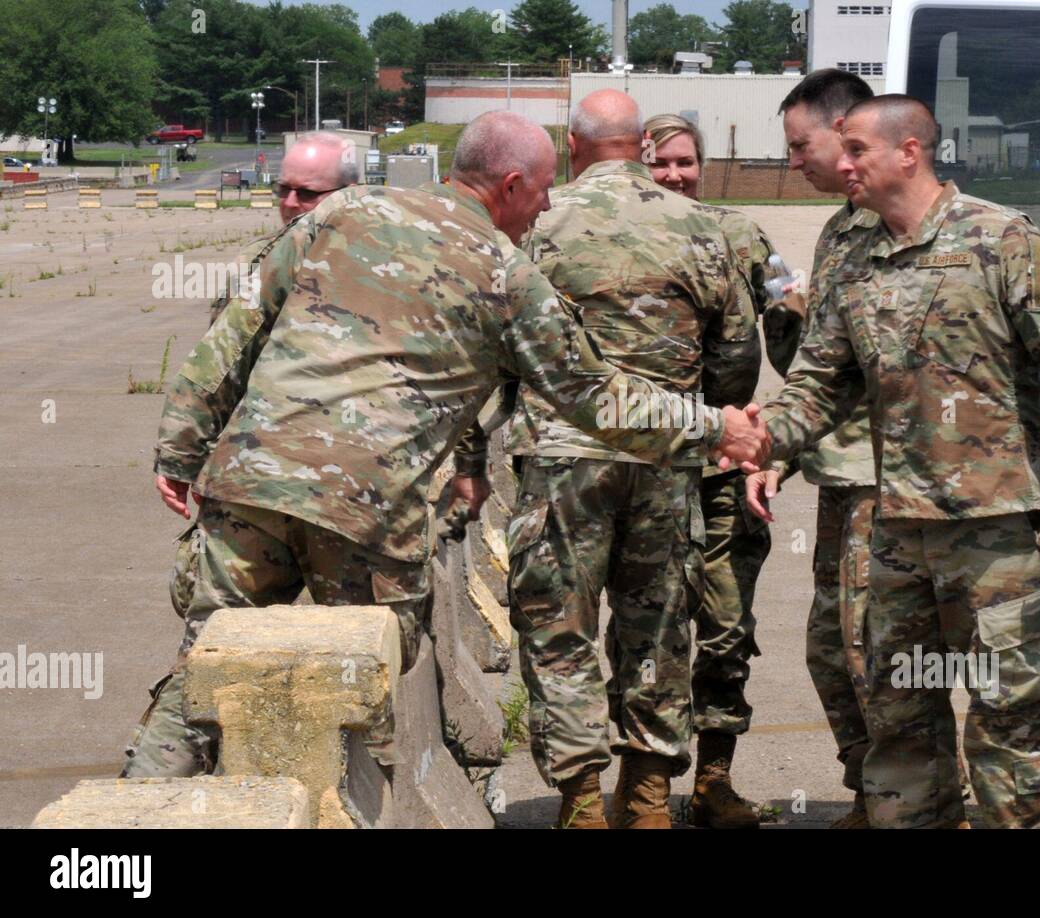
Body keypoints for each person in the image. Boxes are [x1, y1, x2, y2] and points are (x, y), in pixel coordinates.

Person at [121, 110, 771, 780]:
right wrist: (720, 428)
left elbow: (234, 337)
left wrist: (179, 448)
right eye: (544, 190)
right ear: (512, 185)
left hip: (249, 486)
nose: (549, 205)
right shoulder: (506, 276)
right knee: (360, 694)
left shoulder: (339, 217)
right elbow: (597, 397)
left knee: (205, 669)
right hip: (365, 515)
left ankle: (131, 821)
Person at [748, 95, 1040, 829]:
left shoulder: (1007, 241)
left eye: (856, 149)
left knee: (1007, 726)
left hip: (998, 538)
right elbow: (821, 382)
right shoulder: (853, 253)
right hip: (896, 534)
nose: (842, 163)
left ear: (909, 152)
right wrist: (763, 439)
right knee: (897, 722)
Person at [504, 90, 759, 829]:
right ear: (642, 148)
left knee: (562, 632)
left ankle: (582, 804)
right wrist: (701, 421)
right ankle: (646, 800)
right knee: (658, 629)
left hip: (562, 462)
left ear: (574, 146)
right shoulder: (701, 227)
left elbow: (495, 340)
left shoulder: (539, 226)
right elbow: (739, 351)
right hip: (668, 461)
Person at [641, 112, 803, 829]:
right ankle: (640, 790)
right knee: (646, 632)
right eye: (659, 164)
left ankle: (713, 781)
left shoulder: (742, 236)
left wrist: (786, 433)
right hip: (644, 469)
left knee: (727, 627)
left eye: (684, 162)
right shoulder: (618, 238)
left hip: (725, 468)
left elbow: (796, 329)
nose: (674, 175)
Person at [770, 69, 883, 827]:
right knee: (831, 649)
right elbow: (825, 364)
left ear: (843, 135)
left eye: (798, 143)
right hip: (840, 471)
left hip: (887, 480)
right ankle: (878, 793)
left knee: (874, 656)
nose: (792, 161)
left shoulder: (899, 225)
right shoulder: (844, 225)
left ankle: (916, 803)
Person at [202, 132, 361, 327]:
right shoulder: (255, 264)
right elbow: (226, 348)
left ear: (348, 193)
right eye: (283, 189)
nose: (290, 202)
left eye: (306, 193)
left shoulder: (386, 257)